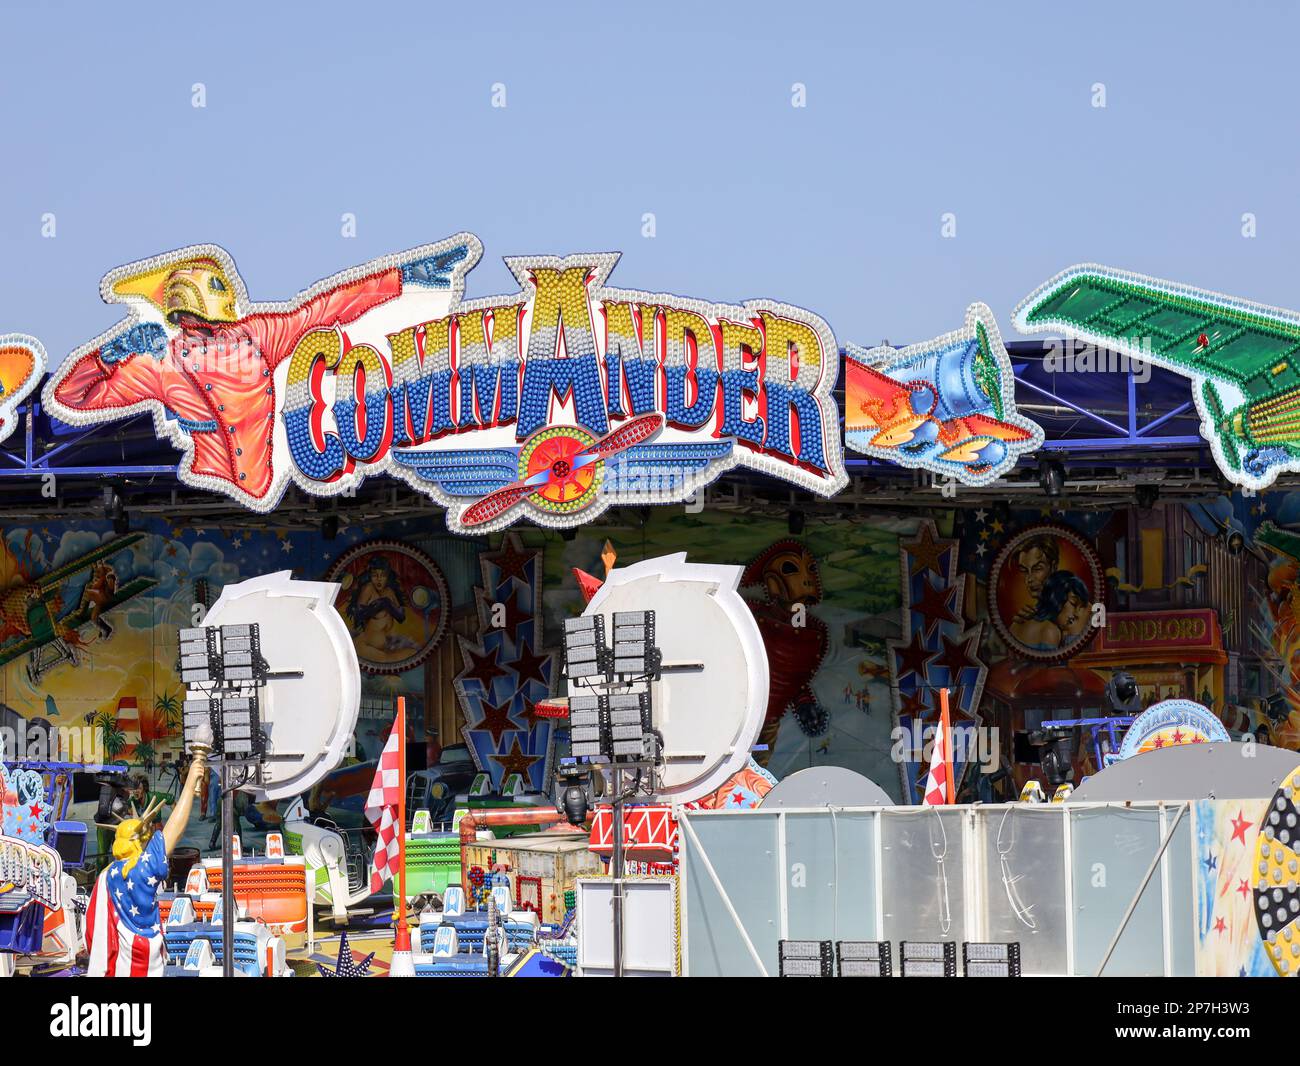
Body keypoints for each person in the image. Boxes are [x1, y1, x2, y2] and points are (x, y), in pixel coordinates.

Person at [85, 750, 208, 976]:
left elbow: (93, 932)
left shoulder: (106, 877)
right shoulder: (141, 871)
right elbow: (175, 831)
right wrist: (190, 784)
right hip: (144, 966)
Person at [1011, 570, 1091, 650]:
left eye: (1070, 621)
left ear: (1074, 600)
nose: (1063, 637)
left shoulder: (1091, 611)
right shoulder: (1050, 630)